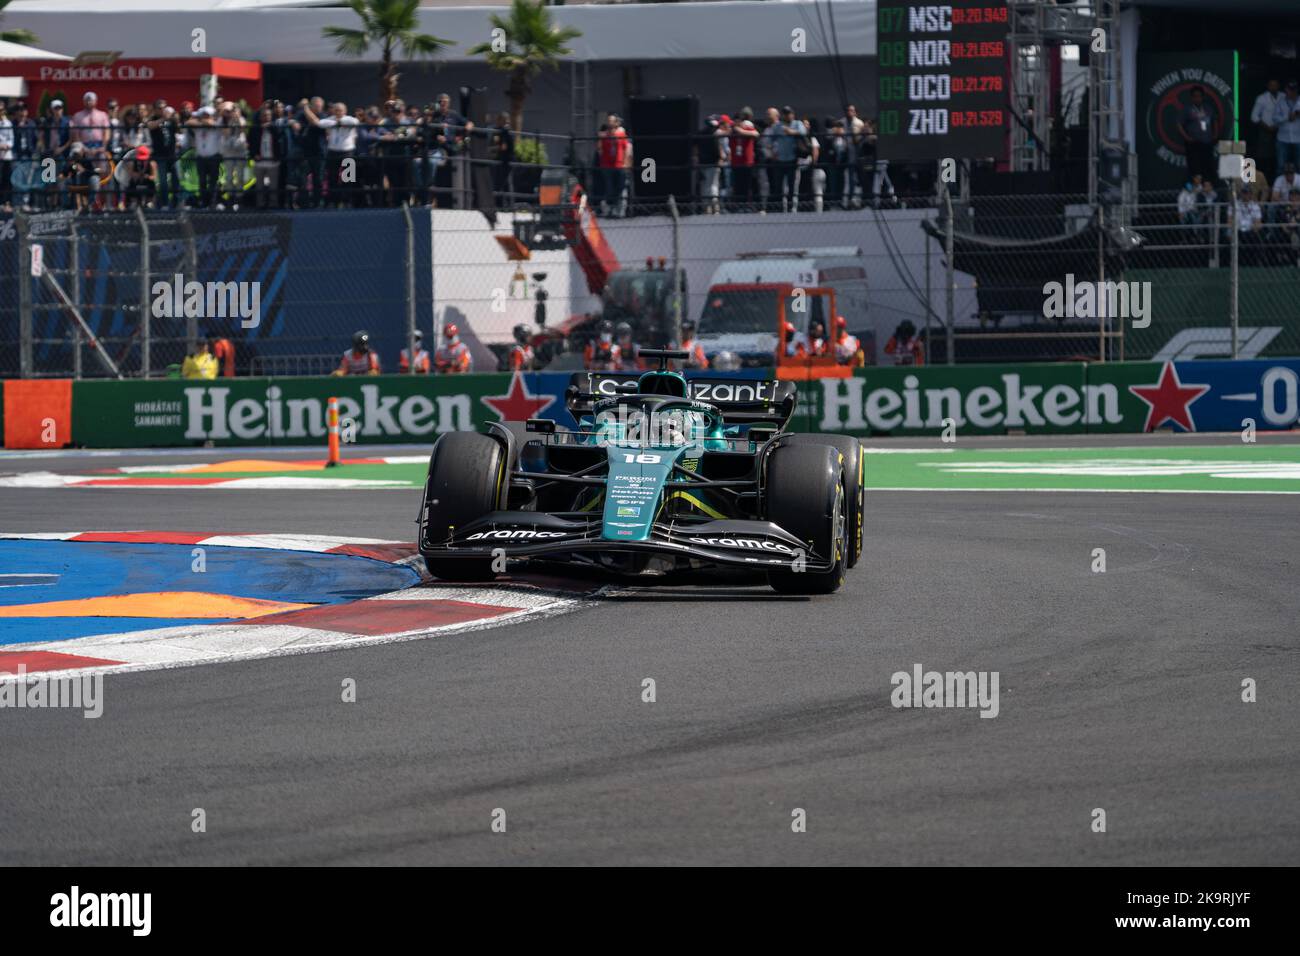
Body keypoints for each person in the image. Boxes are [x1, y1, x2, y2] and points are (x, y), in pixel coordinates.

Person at [1181, 86, 1217, 184]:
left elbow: (1214, 121)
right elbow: (1179, 124)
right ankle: (1195, 191)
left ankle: (1208, 190)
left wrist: (1215, 134)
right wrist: (1187, 137)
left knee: (1208, 167)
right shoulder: (1187, 109)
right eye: (1195, 96)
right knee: (1194, 169)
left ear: (1203, 97)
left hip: (1207, 142)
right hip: (1194, 144)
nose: (1197, 98)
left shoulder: (1208, 108)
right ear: (1191, 97)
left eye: (1199, 96)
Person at [597, 113, 631, 218]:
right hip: (607, 166)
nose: (610, 123)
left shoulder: (621, 134)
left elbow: (626, 149)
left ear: (616, 123)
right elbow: (599, 149)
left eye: (612, 121)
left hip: (619, 165)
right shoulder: (603, 135)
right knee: (609, 188)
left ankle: (618, 211)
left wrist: (626, 163)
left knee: (620, 189)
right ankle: (608, 210)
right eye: (608, 121)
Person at [1251, 79, 1284, 182]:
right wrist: (1267, 127)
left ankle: (1277, 180)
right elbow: (1254, 117)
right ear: (1268, 86)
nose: (1273, 87)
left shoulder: (1283, 96)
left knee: (1278, 157)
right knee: (1264, 157)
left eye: (1275, 85)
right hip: (1265, 130)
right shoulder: (1262, 98)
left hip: (1281, 131)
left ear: (1278, 86)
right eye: (1271, 85)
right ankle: (1264, 180)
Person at [729, 107, 760, 212]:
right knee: (737, 186)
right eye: (736, 119)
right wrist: (736, 129)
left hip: (747, 162)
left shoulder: (747, 128)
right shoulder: (732, 130)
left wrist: (741, 130)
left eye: (739, 119)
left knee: (747, 185)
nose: (738, 121)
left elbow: (756, 134)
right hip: (736, 163)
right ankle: (737, 206)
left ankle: (747, 206)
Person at [120, 143, 157, 209]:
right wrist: (138, 175)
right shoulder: (134, 162)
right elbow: (130, 173)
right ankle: (131, 203)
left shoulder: (151, 163)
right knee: (130, 184)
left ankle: (149, 202)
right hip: (136, 181)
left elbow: (153, 177)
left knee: (152, 184)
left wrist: (146, 176)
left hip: (147, 182)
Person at [1276, 82, 1300, 176]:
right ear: (1286, 90)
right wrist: (1286, 117)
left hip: (1298, 138)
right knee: (1281, 165)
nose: (1292, 92)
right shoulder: (1281, 103)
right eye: (1290, 90)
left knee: (1299, 165)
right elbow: (1275, 119)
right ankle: (1279, 187)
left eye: (1294, 90)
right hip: (1283, 138)